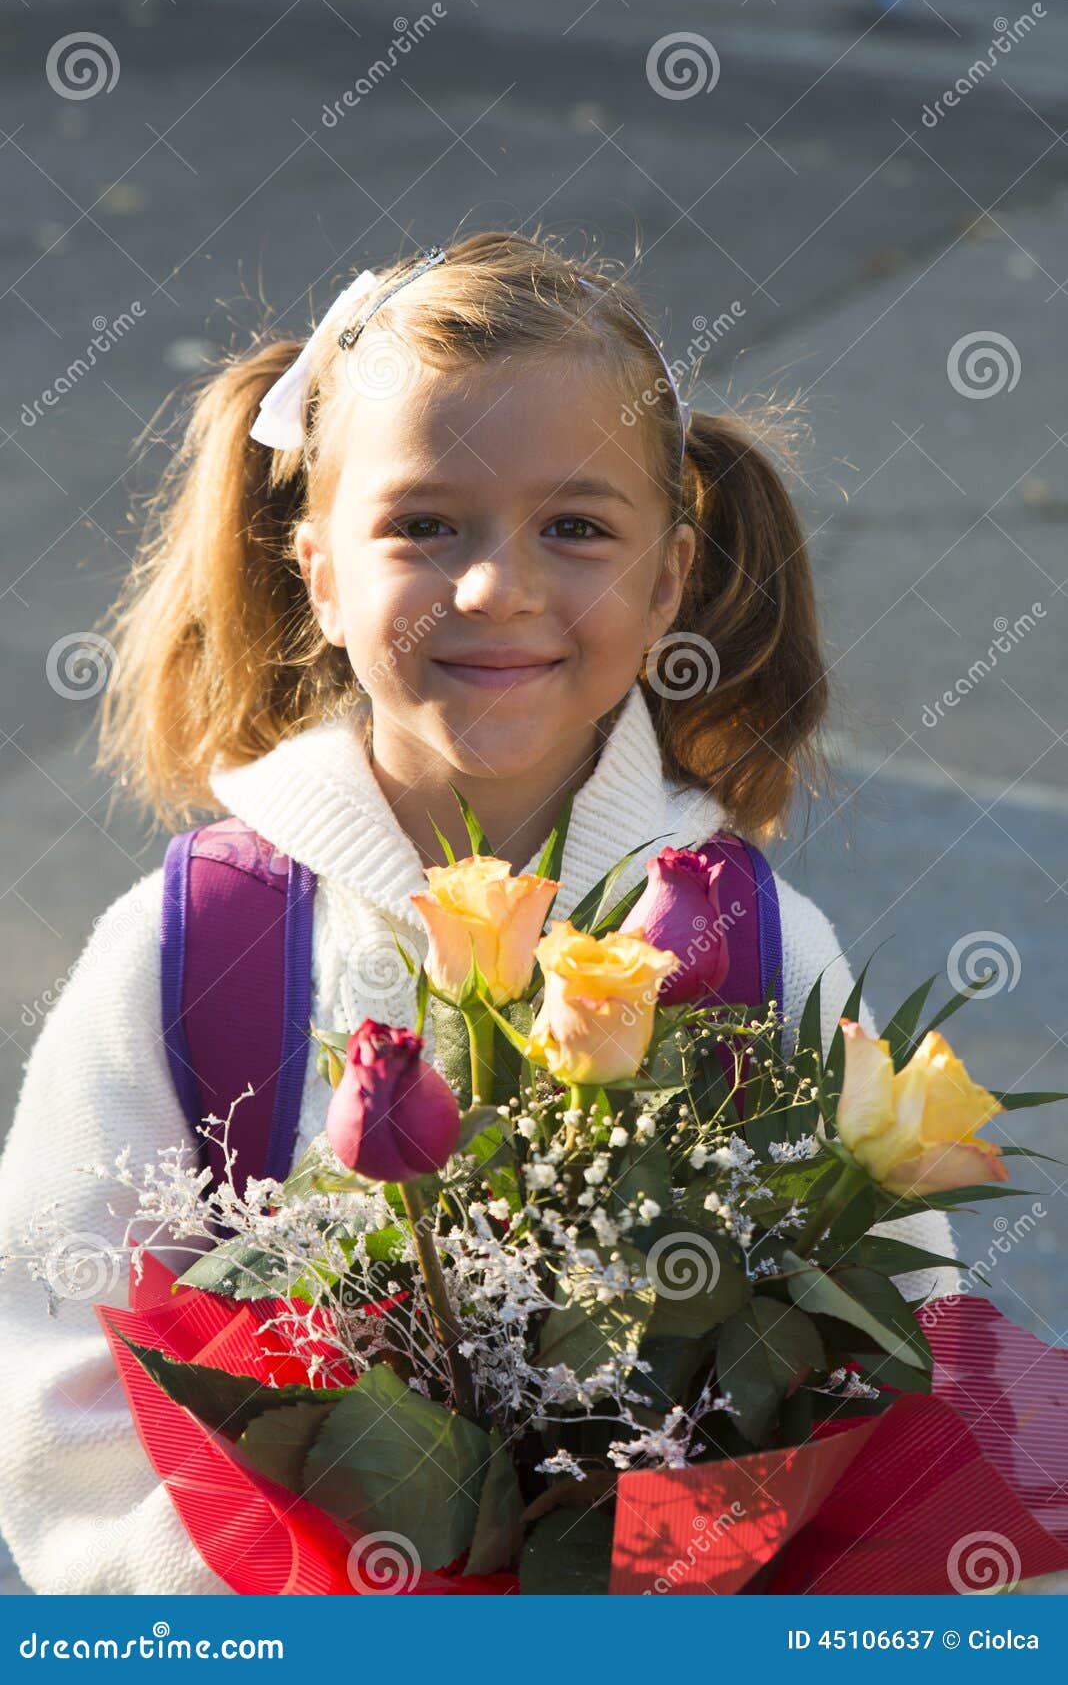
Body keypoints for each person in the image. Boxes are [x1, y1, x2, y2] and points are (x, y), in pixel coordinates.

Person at [0, 229, 957, 1594]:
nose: (498, 585)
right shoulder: (191, 951)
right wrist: (277, 1603)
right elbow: (54, 1372)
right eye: (423, 524)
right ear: (320, 568)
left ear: (669, 577)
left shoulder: (752, 947)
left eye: (576, 527)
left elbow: (894, 1340)